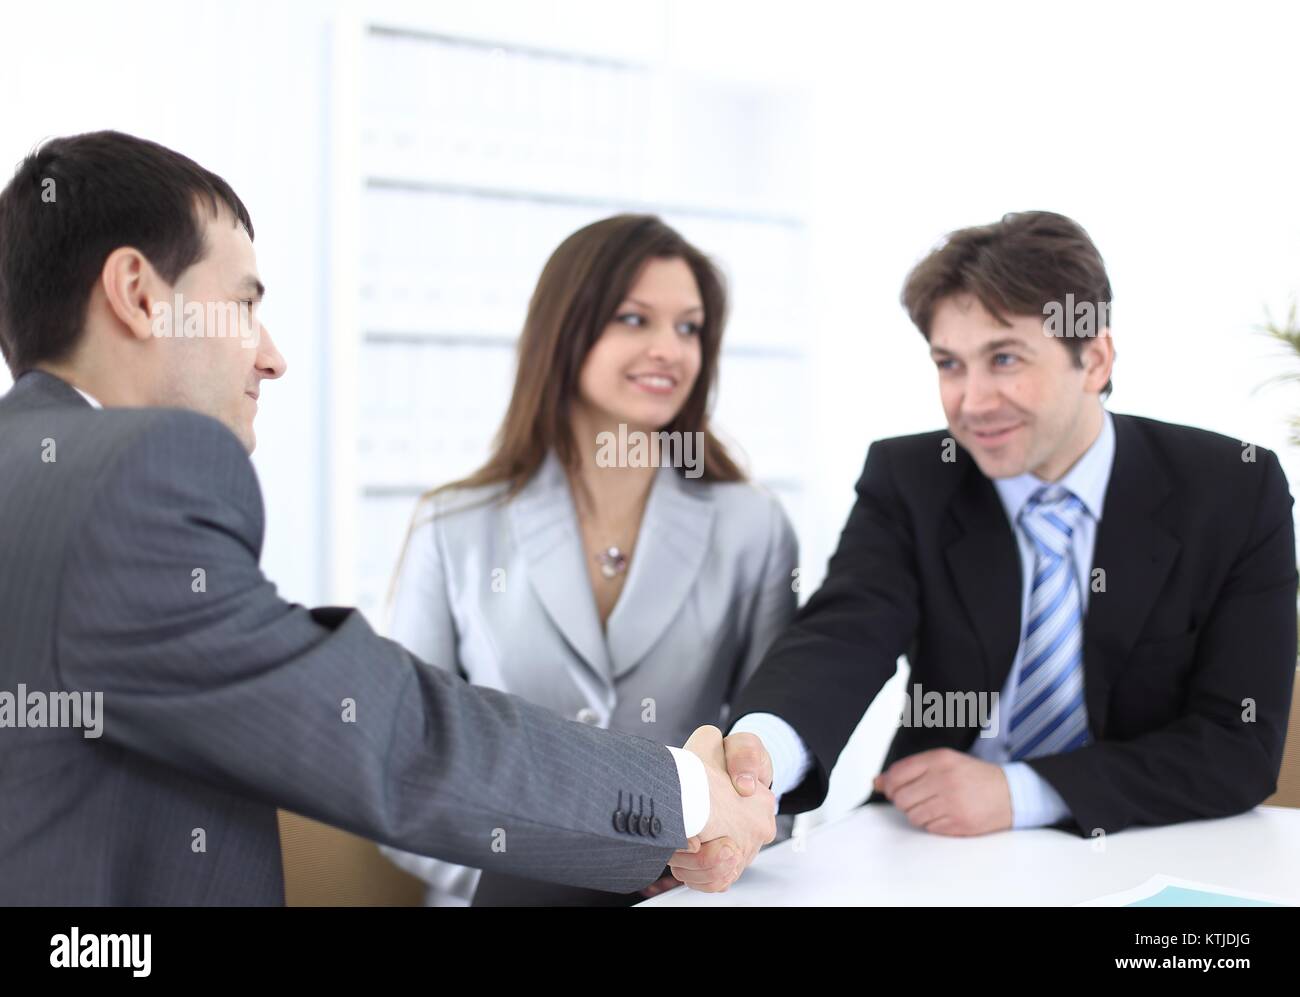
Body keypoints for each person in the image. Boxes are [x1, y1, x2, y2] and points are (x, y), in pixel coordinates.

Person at [0, 130, 774, 905]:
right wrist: (688, 797)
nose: (271, 356)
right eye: (243, 304)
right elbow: (397, 736)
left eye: (689, 326)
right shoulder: (129, 482)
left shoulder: (36, 468)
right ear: (137, 293)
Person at [704, 211, 1296, 882]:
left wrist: (1019, 790)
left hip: (1153, 850)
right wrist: (758, 756)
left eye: (1005, 358)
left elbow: (1238, 744)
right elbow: (840, 636)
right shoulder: (914, 480)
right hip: (934, 847)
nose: (972, 400)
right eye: (949, 364)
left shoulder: (1233, 489)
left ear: (1094, 359)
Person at [378, 214, 798, 906]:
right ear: (565, 330)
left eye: (689, 328)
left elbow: (770, 761)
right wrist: (549, 867)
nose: (670, 349)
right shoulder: (454, 524)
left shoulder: (753, 525)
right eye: (635, 319)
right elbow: (403, 769)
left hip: (686, 898)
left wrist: (700, 858)